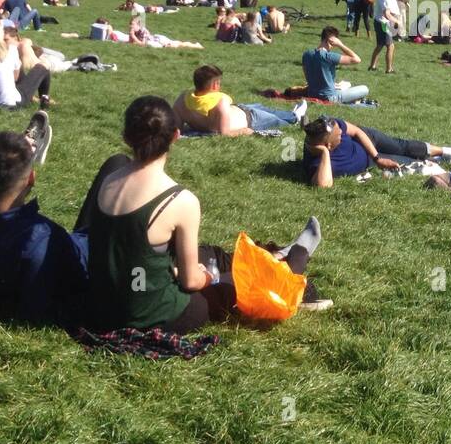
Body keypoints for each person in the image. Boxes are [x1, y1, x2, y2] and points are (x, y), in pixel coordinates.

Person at [82, 96, 331, 332]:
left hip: (102, 303)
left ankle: (274, 254)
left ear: (126, 137)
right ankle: (295, 267)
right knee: (230, 284)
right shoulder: (180, 200)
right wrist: (205, 276)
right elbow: (190, 283)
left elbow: (128, 248)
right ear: (176, 136)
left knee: (210, 253)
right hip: (150, 314)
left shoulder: (109, 179)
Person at [0, 120, 89, 324]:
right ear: (31, 179)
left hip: (60, 251)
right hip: (87, 252)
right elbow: (36, 312)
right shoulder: (42, 237)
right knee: (115, 165)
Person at [302, 116, 451, 188]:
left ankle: (447, 151)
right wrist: (324, 153)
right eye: (339, 136)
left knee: (403, 147)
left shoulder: (332, 125)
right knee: (407, 161)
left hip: (369, 141)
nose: (341, 133)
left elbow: (358, 132)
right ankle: (440, 161)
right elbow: (323, 187)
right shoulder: (318, 161)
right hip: (370, 161)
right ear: (328, 145)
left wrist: (377, 156)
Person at [173, 65, 305, 136]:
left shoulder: (182, 99)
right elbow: (224, 133)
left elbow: (178, 129)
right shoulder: (220, 102)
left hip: (241, 109)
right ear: (215, 85)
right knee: (275, 119)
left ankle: (292, 113)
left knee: (266, 108)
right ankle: (296, 117)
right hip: (251, 119)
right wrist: (244, 131)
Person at [302, 27, 368, 103]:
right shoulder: (329, 56)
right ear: (331, 40)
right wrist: (340, 45)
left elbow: (308, 77)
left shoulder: (306, 54)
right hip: (329, 98)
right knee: (365, 88)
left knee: (345, 85)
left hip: (311, 94)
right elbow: (357, 59)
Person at [369, 0, 402, 72]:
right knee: (390, 46)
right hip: (382, 23)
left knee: (380, 45)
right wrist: (396, 21)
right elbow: (386, 13)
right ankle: (389, 69)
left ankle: (372, 66)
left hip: (380, 21)